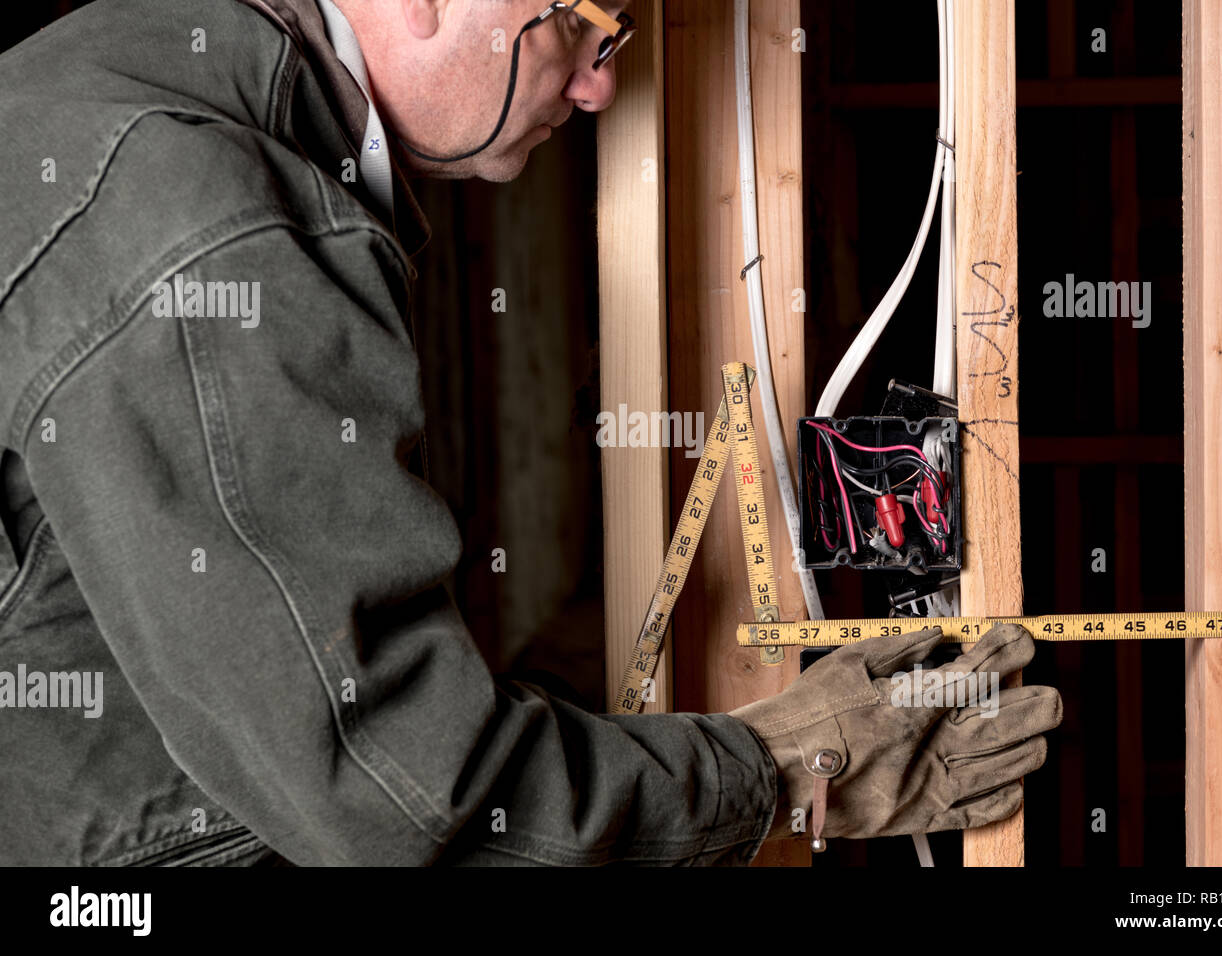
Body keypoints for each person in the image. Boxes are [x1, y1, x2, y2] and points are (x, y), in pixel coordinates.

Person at [0, 0, 1061, 866]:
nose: (599, 85)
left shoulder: (108, 80)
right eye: (581, 24)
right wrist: (777, 771)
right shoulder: (205, 237)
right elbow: (409, 807)